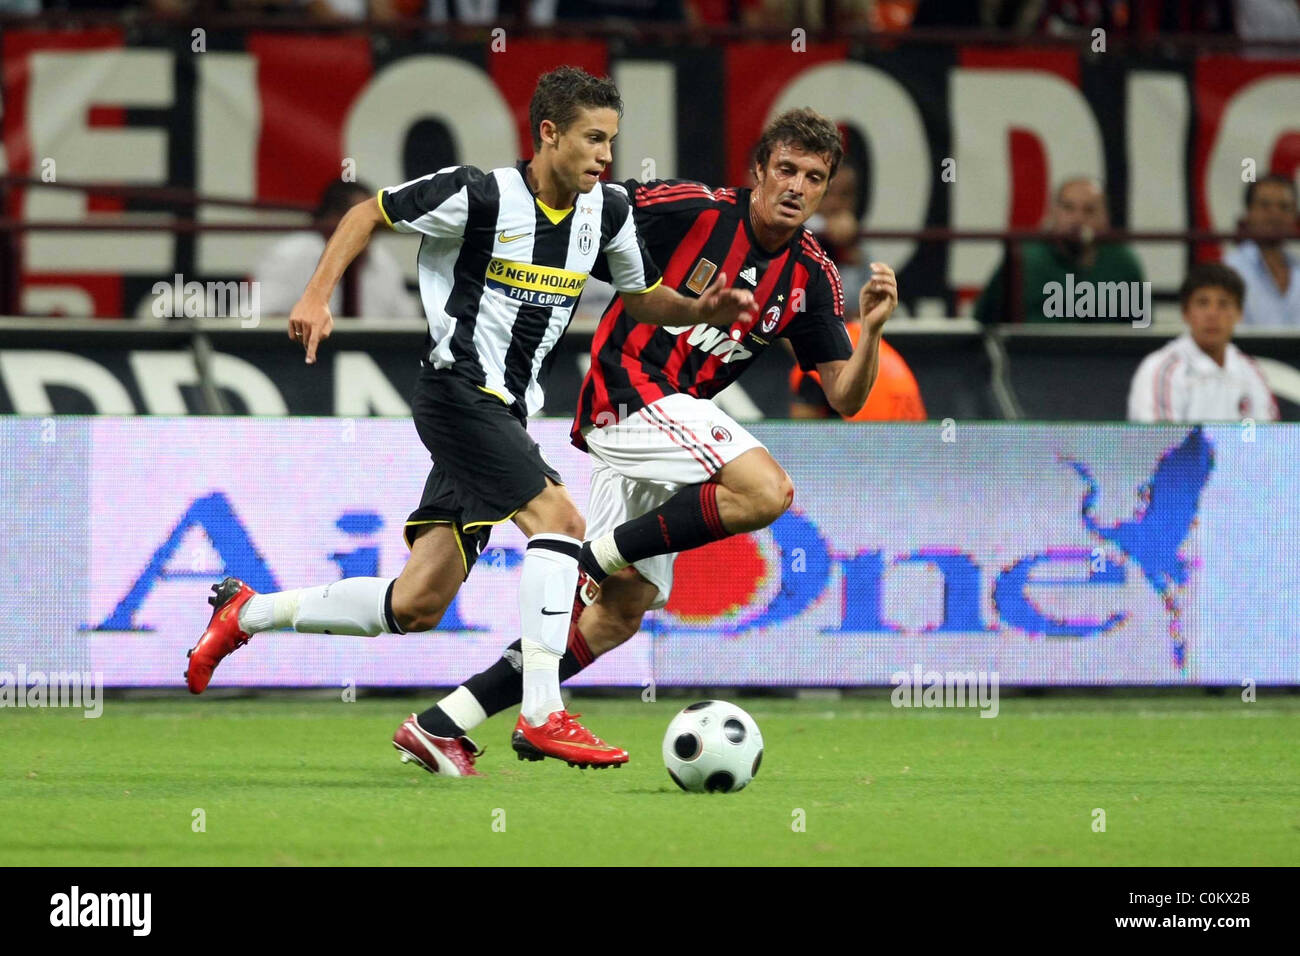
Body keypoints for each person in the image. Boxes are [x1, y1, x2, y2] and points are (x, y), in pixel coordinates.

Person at [183, 66, 757, 775]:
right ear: (548, 134)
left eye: (611, 139)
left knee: (417, 601)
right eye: (592, 139)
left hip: (505, 416)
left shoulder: (605, 211)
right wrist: (315, 297)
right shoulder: (478, 194)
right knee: (561, 523)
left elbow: (642, 298)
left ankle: (246, 613)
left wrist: (700, 311)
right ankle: (543, 711)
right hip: (456, 394)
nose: (607, 155)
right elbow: (366, 214)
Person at [413, 108, 898, 759]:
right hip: (627, 389)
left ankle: (444, 721)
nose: (796, 187)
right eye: (785, 169)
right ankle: (593, 554)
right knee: (766, 492)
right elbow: (591, 201)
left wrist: (872, 331)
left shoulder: (812, 274)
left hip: (669, 425)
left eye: (814, 178)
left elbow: (845, 395)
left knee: (618, 612)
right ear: (758, 171)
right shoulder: (691, 208)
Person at [974, 177, 1144, 324]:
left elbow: (1141, 330)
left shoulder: (1124, 262)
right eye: (1068, 208)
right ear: (1052, 212)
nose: (1078, 219)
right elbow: (984, 318)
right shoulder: (1023, 258)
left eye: (1089, 210)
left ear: (1105, 217)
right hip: (1034, 358)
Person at [1128, 263, 1277, 423]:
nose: (1212, 314)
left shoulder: (1252, 372)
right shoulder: (1161, 369)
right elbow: (1160, 444)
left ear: (1239, 313)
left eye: (1223, 304)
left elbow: (1270, 442)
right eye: (1202, 303)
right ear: (1185, 312)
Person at [255, 180, 421, 319]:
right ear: (332, 219)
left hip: (370, 355)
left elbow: (407, 324)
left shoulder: (382, 260)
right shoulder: (292, 254)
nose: (371, 230)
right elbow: (257, 319)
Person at [790, 324, 925, 420]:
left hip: (872, 453)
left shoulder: (819, 361)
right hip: (918, 452)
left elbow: (802, 444)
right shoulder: (871, 344)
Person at [1223, 173, 1300, 328]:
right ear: (1248, 213)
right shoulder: (1230, 269)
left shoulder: (1298, 268)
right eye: (1265, 206)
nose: (1275, 215)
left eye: (1284, 207)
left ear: (1295, 216)